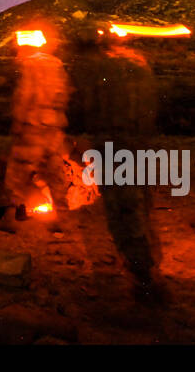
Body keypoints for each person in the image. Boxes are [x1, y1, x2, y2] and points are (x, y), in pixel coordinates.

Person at [67, 22, 168, 305]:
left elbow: (82, 94)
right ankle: (151, 270)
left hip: (114, 148)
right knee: (142, 208)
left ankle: (144, 280)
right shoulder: (140, 64)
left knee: (124, 213)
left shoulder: (99, 67)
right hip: (143, 146)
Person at [2, 30, 73, 225]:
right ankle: (62, 217)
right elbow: (65, 93)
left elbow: (26, 94)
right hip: (55, 125)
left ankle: (10, 219)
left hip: (33, 125)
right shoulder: (56, 63)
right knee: (55, 171)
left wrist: (18, 121)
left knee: (18, 170)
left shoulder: (30, 64)